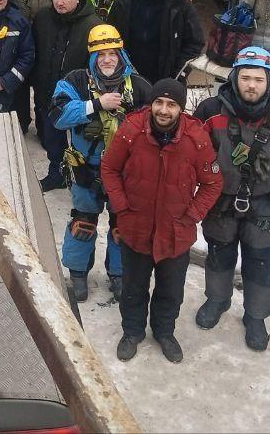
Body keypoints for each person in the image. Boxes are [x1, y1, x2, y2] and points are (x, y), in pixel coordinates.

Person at [193, 46, 270, 351]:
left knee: (260, 264)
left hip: (263, 203)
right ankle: (217, 300)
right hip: (221, 201)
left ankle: (256, 316)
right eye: (246, 78)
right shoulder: (210, 111)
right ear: (234, 78)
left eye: (259, 79)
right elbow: (192, 151)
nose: (251, 85)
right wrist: (208, 171)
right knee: (219, 256)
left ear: (269, 81)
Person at [101, 78, 223, 364]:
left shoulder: (196, 138)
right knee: (133, 288)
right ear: (151, 104)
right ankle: (132, 332)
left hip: (176, 233)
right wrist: (122, 207)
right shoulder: (132, 130)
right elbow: (109, 168)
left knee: (171, 291)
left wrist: (192, 215)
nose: (164, 110)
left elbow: (213, 182)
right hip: (136, 228)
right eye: (158, 102)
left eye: (171, 104)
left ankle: (164, 332)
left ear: (181, 108)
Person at [52, 24, 151, 302]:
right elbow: (57, 116)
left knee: (123, 226)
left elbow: (156, 125)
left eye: (112, 54)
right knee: (83, 222)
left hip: (125, 173)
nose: (107, 60)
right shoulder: (75, 81)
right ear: (92, 57)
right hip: (86, 170)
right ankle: (78, 274)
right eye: (101, 55)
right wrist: (96, 104)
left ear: (121, 55)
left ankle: (119, 274)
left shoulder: (139, 87)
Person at [0, 0, 71, 136]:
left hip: (48, 34)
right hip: (16, 33)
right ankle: (20, 123)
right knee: (18, 80)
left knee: (45, 81)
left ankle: (44, 128)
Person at [31, 0, 102, 191]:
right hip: (48, 91)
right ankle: (57, 174)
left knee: (82, 140)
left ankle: (83, 178)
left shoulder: (93, 25)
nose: (60, 2)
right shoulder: (43, 18)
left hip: (80, 96)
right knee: (53, 139)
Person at [108, 0, 204, 84]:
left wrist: (177, 74)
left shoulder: (180, 6)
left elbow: (195, 43)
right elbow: (109, 36)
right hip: (127, 77)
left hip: (166, 80)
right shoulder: (123, 2)